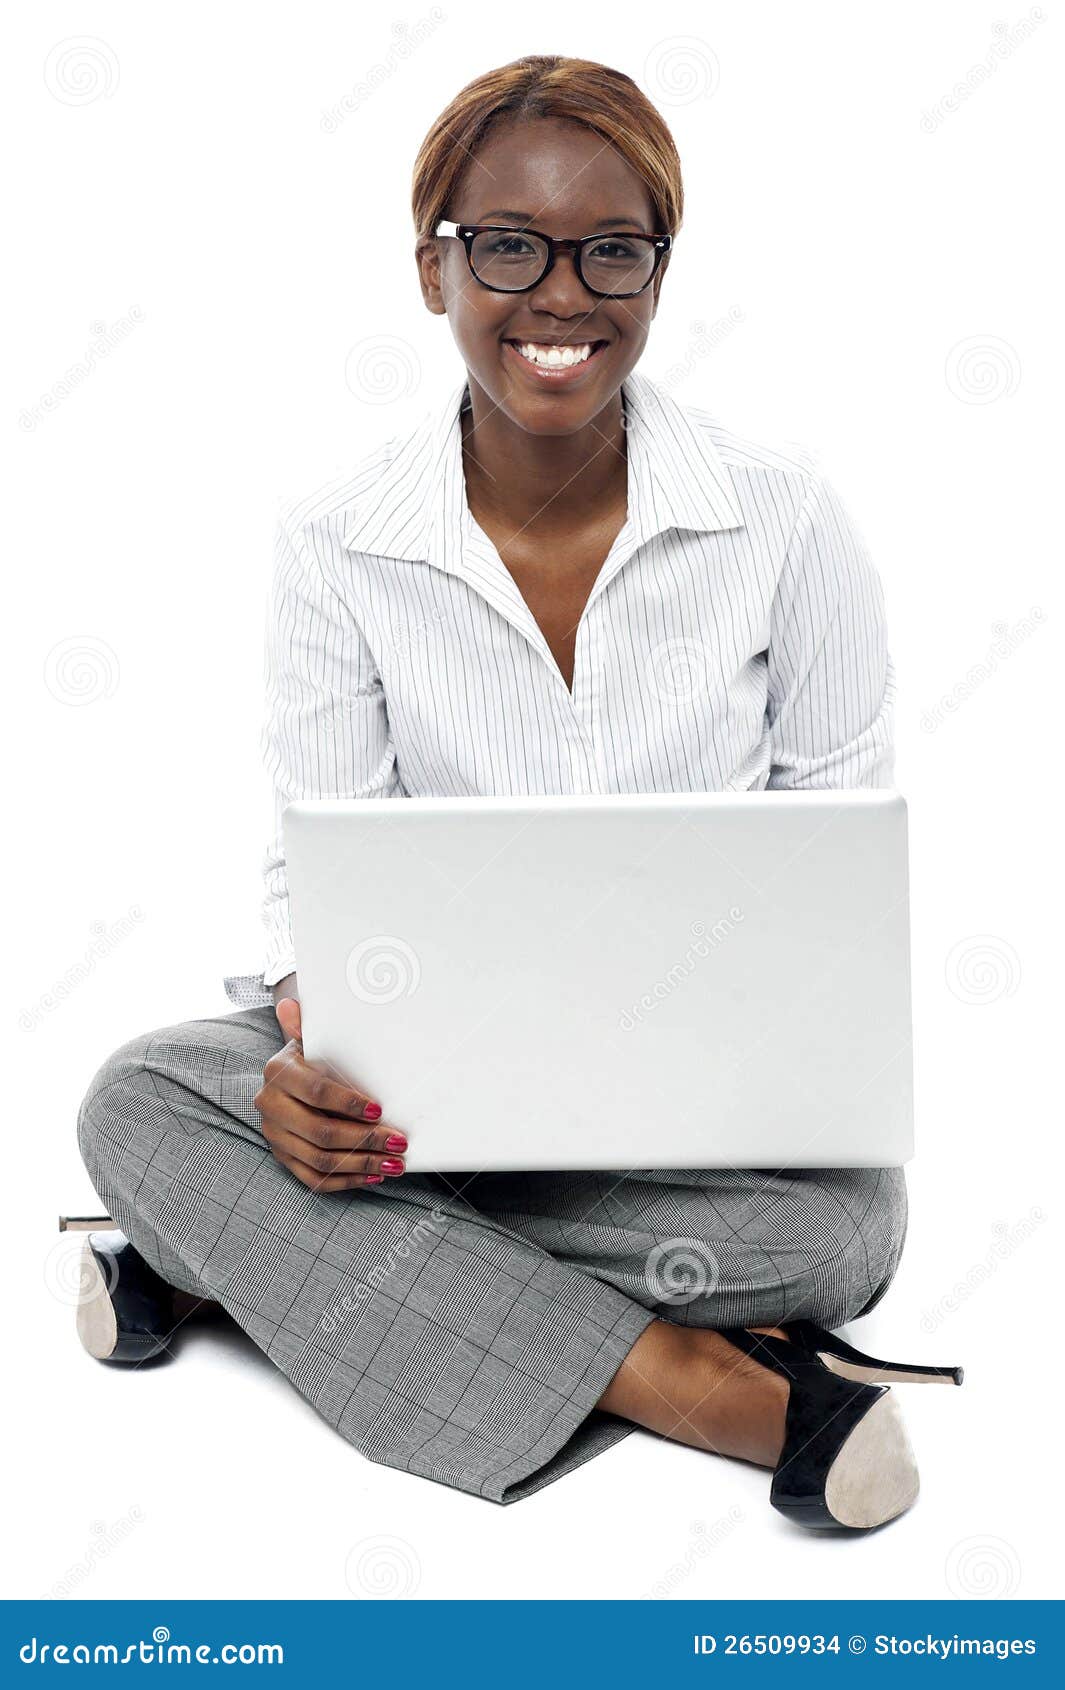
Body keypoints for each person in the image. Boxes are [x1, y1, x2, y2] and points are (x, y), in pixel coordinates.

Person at [75, 53, 961, 1529]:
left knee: (842, 1234)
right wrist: (305, 1047)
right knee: (141, 1097)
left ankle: (218, 1257)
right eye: (505, 247)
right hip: (427, 1101)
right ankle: (706, 1384)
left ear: (659, 271)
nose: (560, 296)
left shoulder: (785, 517)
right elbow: (316, 867)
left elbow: (838, 865)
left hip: (709, 1121)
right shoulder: (337, 541)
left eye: (611, 250)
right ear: (432, 269)